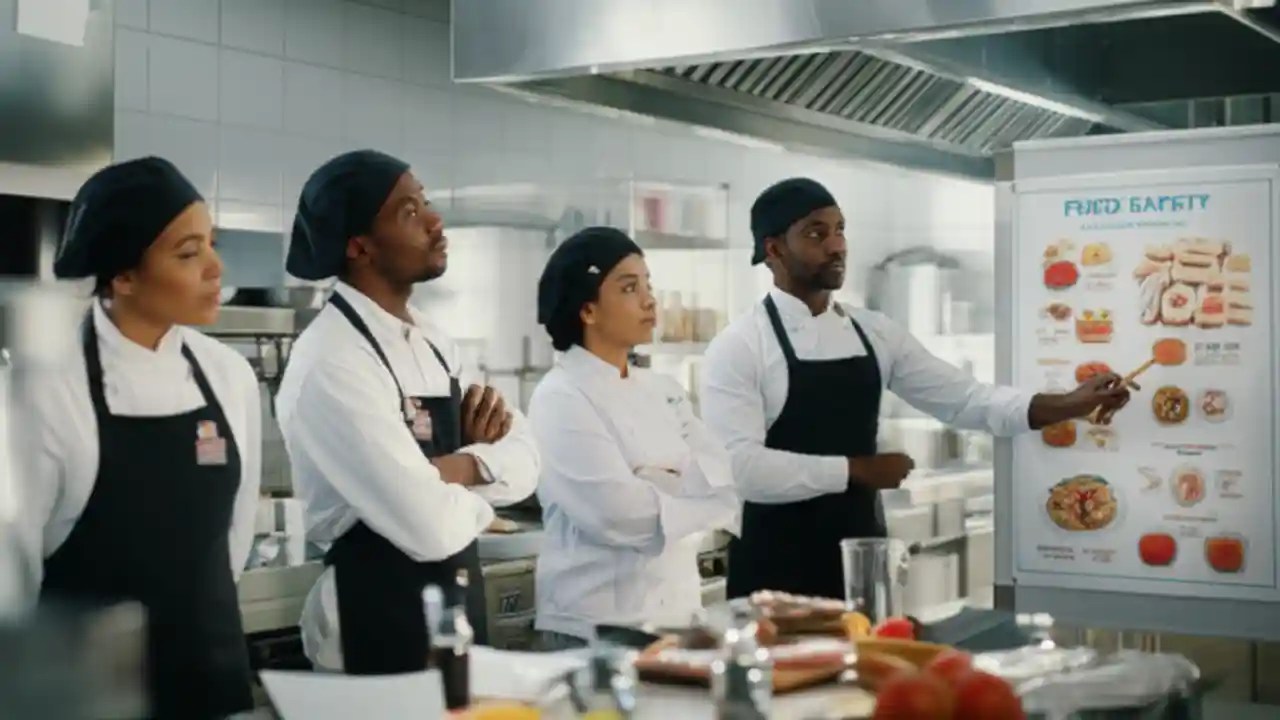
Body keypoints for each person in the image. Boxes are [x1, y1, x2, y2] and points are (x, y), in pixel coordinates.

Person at [700, 177, 1130, 601]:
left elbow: (967, 400)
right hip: (774, 572)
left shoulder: (874, 332)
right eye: (816, 233)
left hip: (861, 560)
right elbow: (740, 469)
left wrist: (1072, 404)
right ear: (774, 249)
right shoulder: (739, 347)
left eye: (840, 230)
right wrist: (856, 471)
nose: (837, 246)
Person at [12, 157, 261, 718]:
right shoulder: (44, 388)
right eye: (189, 252)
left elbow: (231, 544)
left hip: (213, 687)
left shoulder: (226, 375)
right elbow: (14, 578)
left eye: (212, 243)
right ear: (123, 276)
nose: (217, 268)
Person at [276, 149, 539, 674]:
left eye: (427, 203)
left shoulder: (433, 340)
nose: (435, 221)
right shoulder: (331, 361)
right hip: (373, 616)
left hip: (457, 605)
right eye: (410, 212)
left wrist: (455, 469)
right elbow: (429, 528)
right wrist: (478, 473)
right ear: (359, 246)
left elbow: (528, 462)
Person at [527, 227, 739, 649]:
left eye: (648, 285)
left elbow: (727, 482)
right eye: (629, 288)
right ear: (587, 310)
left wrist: (657, 484)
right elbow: (619, 518)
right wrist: (690, 492)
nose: (649, 300)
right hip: (595, 631)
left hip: (677, 622)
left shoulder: (663, 389)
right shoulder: (560, 397)